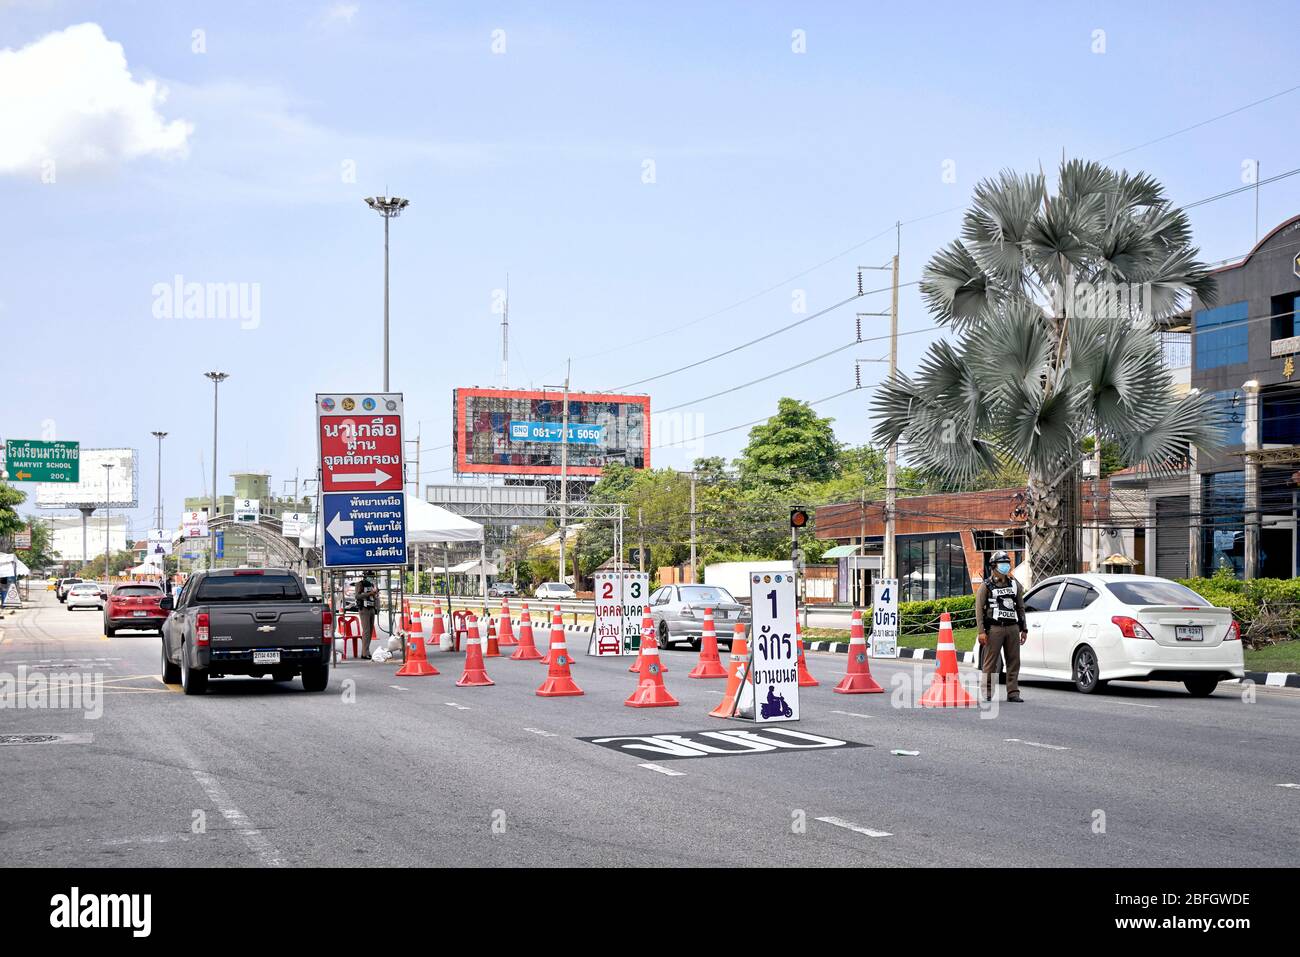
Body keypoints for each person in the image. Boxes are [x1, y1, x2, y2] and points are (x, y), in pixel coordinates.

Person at [975, 550, 1027, 703]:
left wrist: (1024, 628)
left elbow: (1020, 607)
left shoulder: (1014, 584)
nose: (1005, 566)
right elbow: (979, 609)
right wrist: (981, 631)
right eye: (1002, 563)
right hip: (994, 629)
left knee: (1014, 661)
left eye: (1007, 562)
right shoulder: (986, 586)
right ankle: (987, 692)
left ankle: (1013, 692)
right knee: (990, 662)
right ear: (993, 566)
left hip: (1012, 628)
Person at [356, 573, 379, 658]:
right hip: (364, 609)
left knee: (370, 631)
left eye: (372, 576)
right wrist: (369, 594)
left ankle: (365, 651)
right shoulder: (360, 584)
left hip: (371, 608)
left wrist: (375, 593)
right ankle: (365, 652)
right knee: (366, 631)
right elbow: (357, 596)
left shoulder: (373, 584)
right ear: (365, 576)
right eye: (370, 576)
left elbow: (375, 596)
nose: (371, 577)